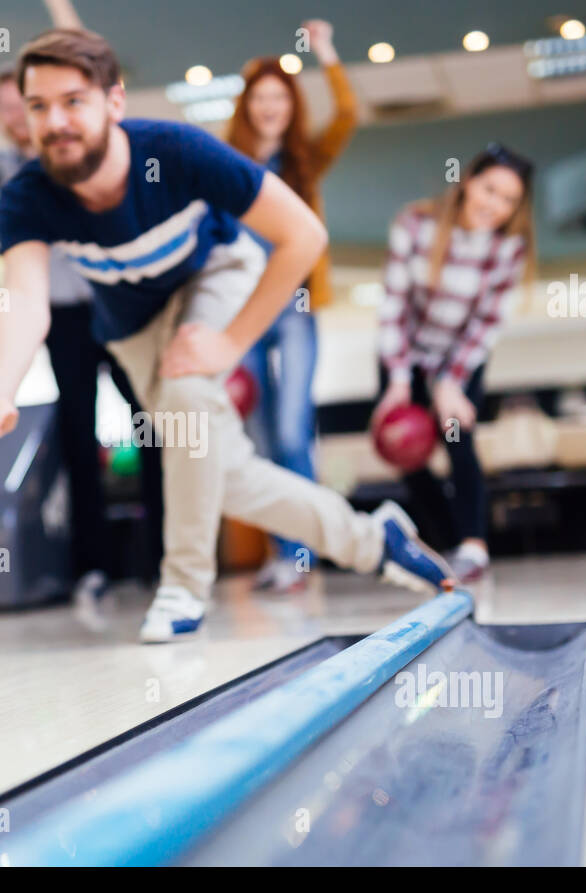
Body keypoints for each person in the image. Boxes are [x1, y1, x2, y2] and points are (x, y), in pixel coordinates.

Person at [0, 28, 453, 642]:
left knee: (185, 407)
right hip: (131, 325)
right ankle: (374, 540)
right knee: (221, 469)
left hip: (213, 275)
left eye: (74, 101)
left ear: (115, 103)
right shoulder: (28, 195)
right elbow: (24, 297)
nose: (55, 121)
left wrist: (232, 342)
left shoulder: (177, 152)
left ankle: (182, 586)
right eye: (39, 106)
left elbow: (304, 237)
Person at [0, 0, 163, 607]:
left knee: (151, 425)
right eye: (9, 109)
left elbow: (84, 65)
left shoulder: (87, 150)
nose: (19, 115)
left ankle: (160, 558)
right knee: (78, 435)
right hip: (62, 319)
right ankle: (94, 567)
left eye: (29, 102)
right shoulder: (12, 178)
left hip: (117, 305)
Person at [224, 19, 356, 593]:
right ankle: (287, 554)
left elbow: (348, 115)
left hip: (296, 308)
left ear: (290, 104)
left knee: (292, 429)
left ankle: (306, 553)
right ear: (247, 106)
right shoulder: (227, 163)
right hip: (245, 315)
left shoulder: (305, 160)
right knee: (258, 436)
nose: (271, 107)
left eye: (280, 97)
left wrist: (326, 52)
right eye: (261, 98)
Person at [371, 143, 536, 583]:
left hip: (460, 357)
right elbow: (393, 307)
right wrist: (399, 382)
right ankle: (445, 548)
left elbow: (486, 324)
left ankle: (473, 547)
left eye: (509, 200)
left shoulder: (508, 249)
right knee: (406, 453)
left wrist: (450, 384)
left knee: (458, 439)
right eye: (490, 190)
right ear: (467, 182)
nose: (495, 205)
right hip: (404, 352)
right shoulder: (415, 225)